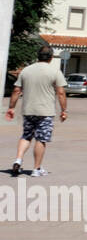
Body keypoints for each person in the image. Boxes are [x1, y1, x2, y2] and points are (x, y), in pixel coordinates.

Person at [4, 45, 68, 177]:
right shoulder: (55, 71)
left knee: (26, 136)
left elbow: (16, 90)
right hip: (45, 112)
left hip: (28, 111)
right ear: (51, 58)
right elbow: (61, 93)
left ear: (37, 56)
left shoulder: (26, 71)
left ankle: (18, 160)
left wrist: (11, 107)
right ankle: (36, 169)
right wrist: (64, 110)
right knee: (41, 139)